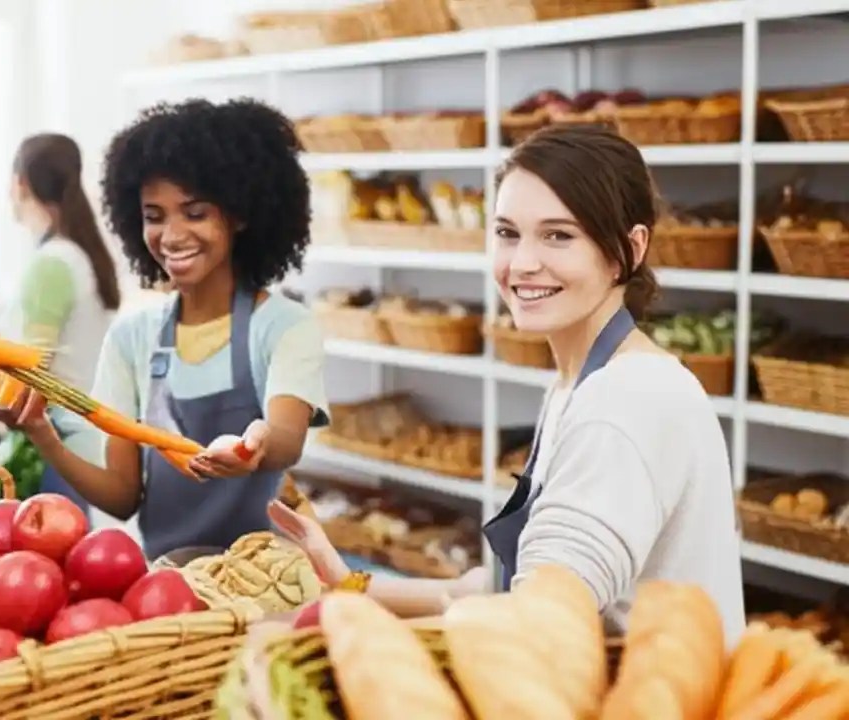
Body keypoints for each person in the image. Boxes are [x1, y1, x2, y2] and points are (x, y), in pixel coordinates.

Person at [268, 124, 745, 646]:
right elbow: (495, 591)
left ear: (628, 250)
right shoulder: (577, 387)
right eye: (507, 233)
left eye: (558, 235)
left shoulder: (628, 401)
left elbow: (538, 622)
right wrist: (344, 582)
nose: (522, 263)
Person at [0, 98, 328, 559]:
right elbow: (123, 495)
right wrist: (43, 435)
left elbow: (286, 440)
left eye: (194, 213)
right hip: (170, 586)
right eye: (154, 216)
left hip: (269, 581)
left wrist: (257, 445)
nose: (171, 235)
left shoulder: (283, 325)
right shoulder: (132, 339)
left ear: (241, 214)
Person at [2, 134, 120, 518]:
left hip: (61, 444)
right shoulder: (76, 253)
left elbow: (34, 364)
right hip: (86, 440)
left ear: (19, 183)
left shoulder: (51, 263)